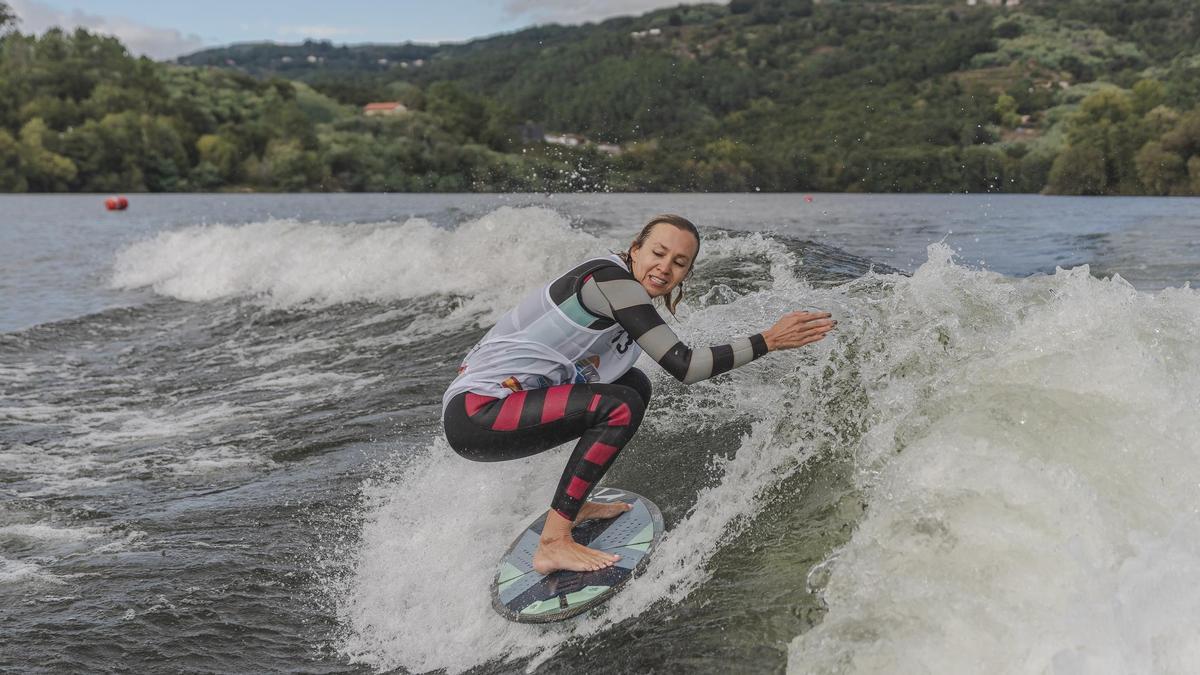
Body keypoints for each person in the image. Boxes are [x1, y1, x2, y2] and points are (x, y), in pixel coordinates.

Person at [442, 215, 836, 575]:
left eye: (679, 262)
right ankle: (553, 543)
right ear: (634, 250)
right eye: (657, 253)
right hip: (478, 414)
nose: (665, 267)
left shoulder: (626, 296)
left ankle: (571, 511)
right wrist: (768, 340)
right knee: (619, 406)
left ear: (687, 272)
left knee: (632, 384)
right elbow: (685, 366)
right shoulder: (610, 282)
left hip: (496, 408)